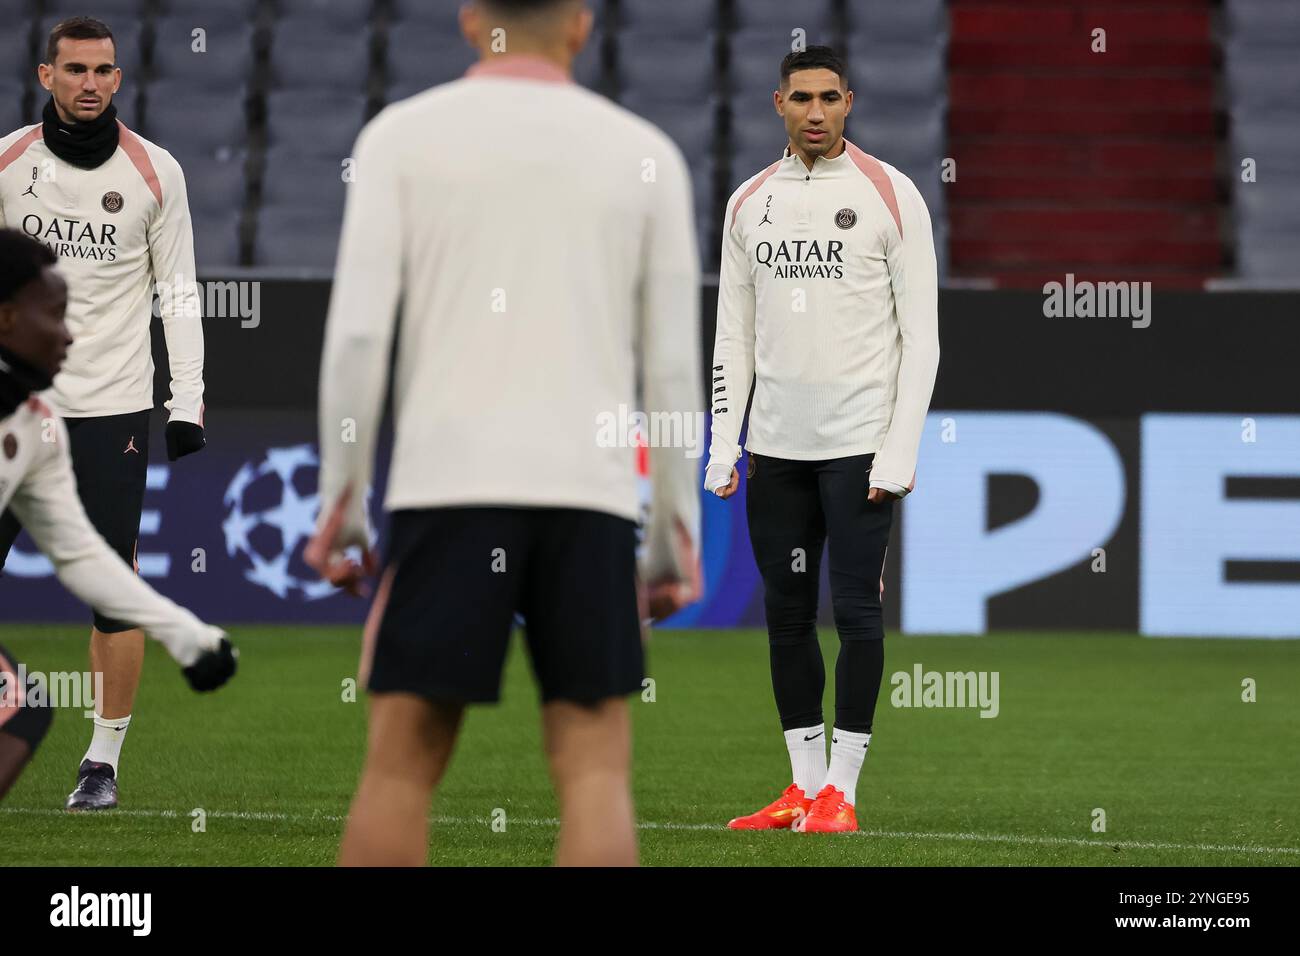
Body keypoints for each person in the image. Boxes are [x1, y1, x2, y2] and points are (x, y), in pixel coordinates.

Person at [306, 0, 702, 866]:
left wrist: (342, 498)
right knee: (596, 768)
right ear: (580, 24)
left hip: (448, 487)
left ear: (468, 18)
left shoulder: (399, 139)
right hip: (588, 493)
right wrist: (676, 536)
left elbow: (359, 338)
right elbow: (673, 369)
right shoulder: (646, 155)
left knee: (400, 764)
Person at [706, 47, 939, 833]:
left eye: (828, 98)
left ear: (849, 102)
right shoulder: (748, 203)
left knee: (858, 618)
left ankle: (844, 790)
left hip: (858, 448)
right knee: (785, 616)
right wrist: (723, 443)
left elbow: (924, 341)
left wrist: (898, 451)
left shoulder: (891, 194)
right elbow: (731, 338)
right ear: (777, 102)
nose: (815, 111)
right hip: (775, 451)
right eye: (800, 97)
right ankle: (802, 788)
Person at [0, 16, 208, 810]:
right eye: (76, 68)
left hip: (111, 410)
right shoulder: (9, 163)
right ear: (46, 76)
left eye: (105, 70)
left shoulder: (157, 172)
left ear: (119, 80)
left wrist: (184, 400)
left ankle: (101, 763)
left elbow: (180, 293)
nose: (91, 82)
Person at [0, 228, 234, 805]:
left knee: (22, 711)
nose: (70, 334)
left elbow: (85, 558)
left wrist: (189, 637)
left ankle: (101, 764)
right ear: (5, 319)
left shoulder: (34, 426)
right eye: (54, 315)